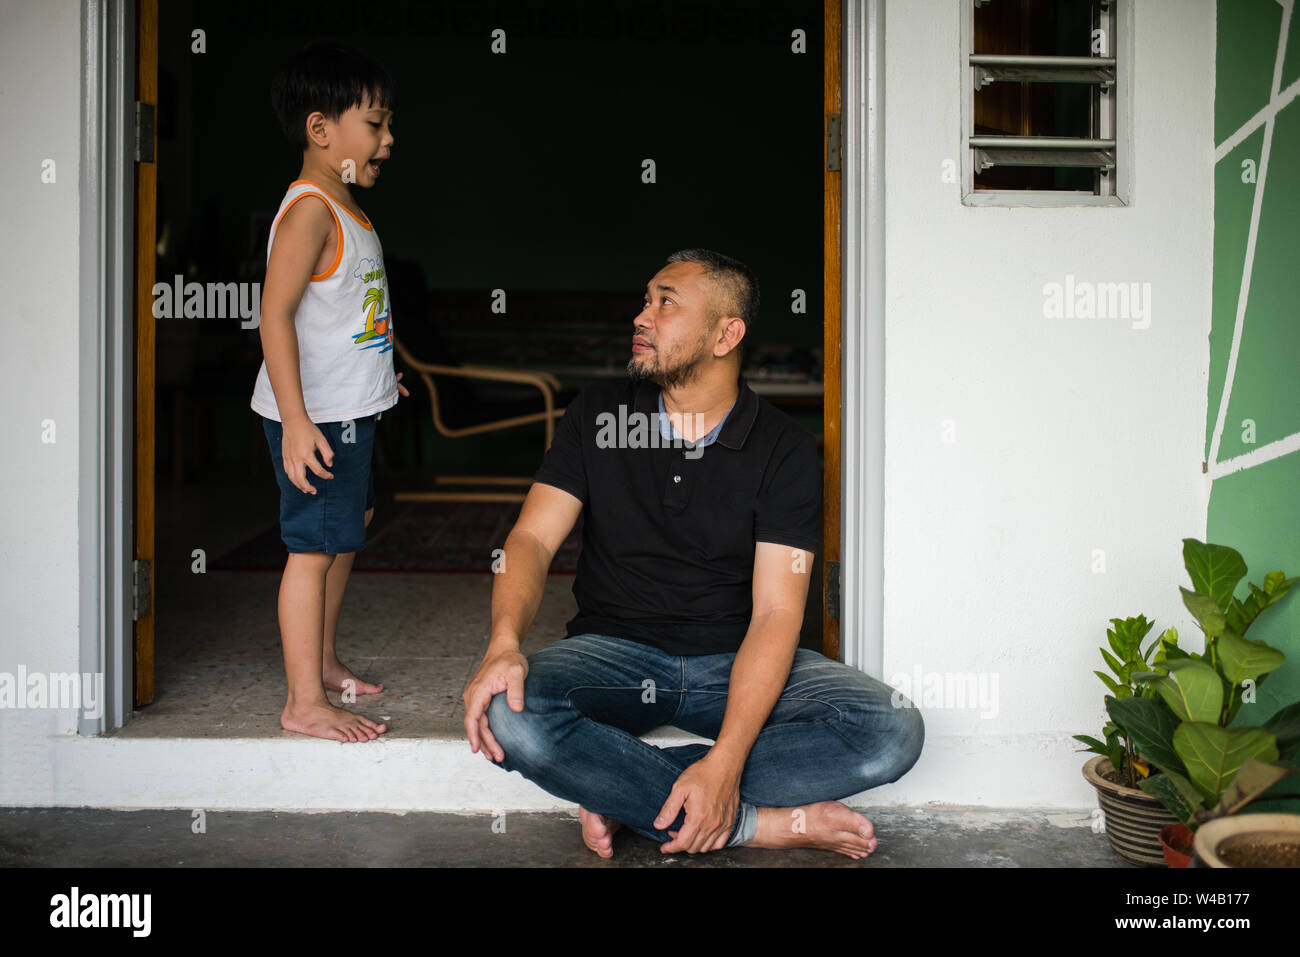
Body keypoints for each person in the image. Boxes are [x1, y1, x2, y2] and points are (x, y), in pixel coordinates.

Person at [462, 249, 925, 858]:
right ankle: (758, 826)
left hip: (733, 661)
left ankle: (624, 791)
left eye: (666, 302)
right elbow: (530, 540)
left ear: (725, 334)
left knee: (890, 731)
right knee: (506, 711)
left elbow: (776, 614)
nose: (642, 317)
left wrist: (726, 762)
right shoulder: (599, 413)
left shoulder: (784, 448)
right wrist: (503, 645)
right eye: (646, 299)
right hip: (612, 654)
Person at [251, 41, 409, 743]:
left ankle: (319, 657)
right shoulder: (310, 211)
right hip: (313, 419)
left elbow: (346, 318)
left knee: (349, 525)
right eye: (374, 124)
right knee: (312, 546)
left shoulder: (348, 210)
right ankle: (303, 701)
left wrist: (380, 376)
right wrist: (294, 420)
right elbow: (274, 314)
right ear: (322, 130)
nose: (388, 140)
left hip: (350, 409)